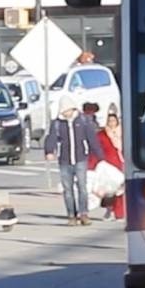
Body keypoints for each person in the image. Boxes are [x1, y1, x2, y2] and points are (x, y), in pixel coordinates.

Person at [44, 94, 99, 226]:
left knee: (82, 188)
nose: (66, 113)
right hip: (64, 160)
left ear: (72, 109)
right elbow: (51, 138)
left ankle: (84, 214)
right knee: (67, 190)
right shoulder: (57, 123)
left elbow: (92, 140)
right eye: (63, 111)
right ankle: (71, 215)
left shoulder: (83, 121)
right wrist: (49, 151)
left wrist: (99, 156)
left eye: (67, 110)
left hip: (80, 159)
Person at [95, 113, 125, 220]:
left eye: (113, 121)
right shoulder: (102, 134)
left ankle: (120, 212)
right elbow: (97, 148)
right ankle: (109, 210)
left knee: (120, 189)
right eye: (109, 121)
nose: (112, 123)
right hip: (108, 164)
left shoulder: (123, 132)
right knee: (109, 189)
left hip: (121, 162)